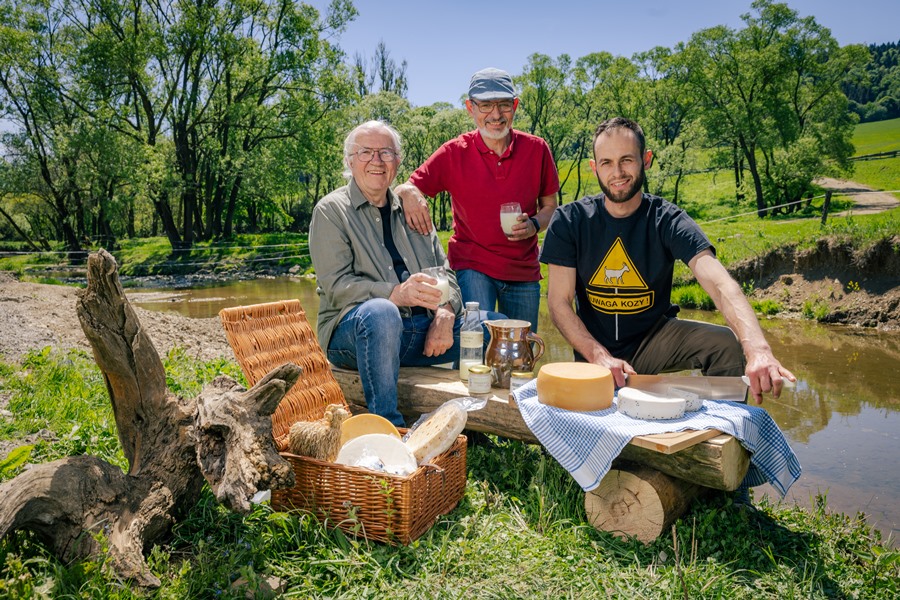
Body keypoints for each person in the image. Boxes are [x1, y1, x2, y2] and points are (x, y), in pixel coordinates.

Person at [541, 117, 795, 404]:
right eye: (607, 163)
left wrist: (758, 350)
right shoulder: (569, 220)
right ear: (593, 167)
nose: (617, 172)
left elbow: (720, 283)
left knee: (725, 343)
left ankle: (724, 432)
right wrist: (599, 356)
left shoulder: (667, 219)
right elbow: (558, 303)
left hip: (653, 340)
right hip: (594, 353)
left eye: (627, 160)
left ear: (645, 160)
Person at [309, 120, 502, 426]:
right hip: (356, 335)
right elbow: (336, 285)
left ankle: (478, 424)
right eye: (366, 153)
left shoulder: (413, 209)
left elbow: (447, 274)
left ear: (397, 161)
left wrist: (446, 311)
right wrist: (395, 294)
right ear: (349, 160)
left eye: (386, 153)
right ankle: (388, 426)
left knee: (497, 327)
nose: (377, 161)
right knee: (383, 312)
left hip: (419, 332)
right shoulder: (331, 211)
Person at [395, 67, 559, 331]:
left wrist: (534, 225)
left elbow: (550, 206)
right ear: (470, 108)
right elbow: (408, 187)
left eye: (503, 105)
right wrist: (408, 191)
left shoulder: (537, 149)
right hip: (473, 266)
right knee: (474, 341)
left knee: (521, 353)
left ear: (514, 106)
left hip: (524, 270)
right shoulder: (453, 152)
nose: (495, 115)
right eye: (485, 105)